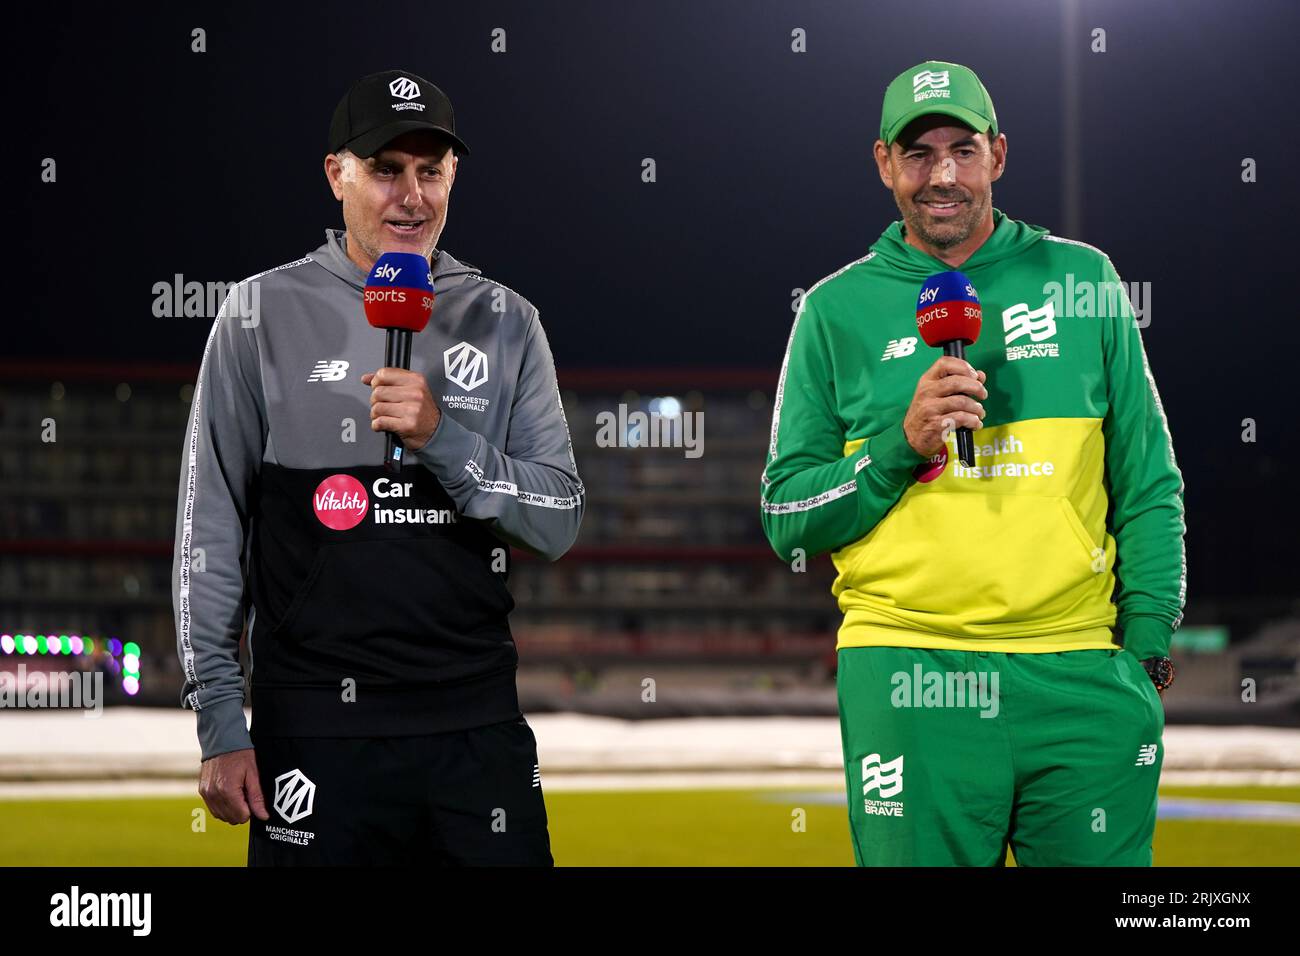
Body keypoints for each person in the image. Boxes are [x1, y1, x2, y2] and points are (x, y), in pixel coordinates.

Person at [760, 60, 1185, 866]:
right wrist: (896, 448)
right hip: (910, 673)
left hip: (1080, 674)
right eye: (918, 154)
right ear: (884, 163)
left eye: (963, 148)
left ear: (999, 154)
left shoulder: (1084, 279)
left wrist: (1146, 647)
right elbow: (786, 518)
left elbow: (1148, 481)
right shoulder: (832, 310)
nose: (943, 174)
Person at [171, 69, 584, 866]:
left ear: (453, 176)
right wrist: (221, 720)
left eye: (432, 172)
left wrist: (445, 438)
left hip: (474, 724)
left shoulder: (507, 320)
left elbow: (559, 518)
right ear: (338, 175)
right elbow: (209, 531)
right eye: (386, 169)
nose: (412, 197)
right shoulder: (259, 315)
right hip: (316, 730)